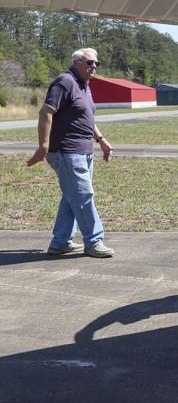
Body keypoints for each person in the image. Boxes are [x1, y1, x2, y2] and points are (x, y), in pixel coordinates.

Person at [27, 48, 115, 258]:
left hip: (83, 150)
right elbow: (46, 112)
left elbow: (86, 118)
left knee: (72, 197)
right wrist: (43, 146)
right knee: (83, 196)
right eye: (89, 62)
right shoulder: (64, 82)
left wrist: (101, 140)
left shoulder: (84, 85)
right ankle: (94, 241)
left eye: (96, 63)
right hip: (66, 151)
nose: (93, 66)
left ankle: (60, 242)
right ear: (76, 63)